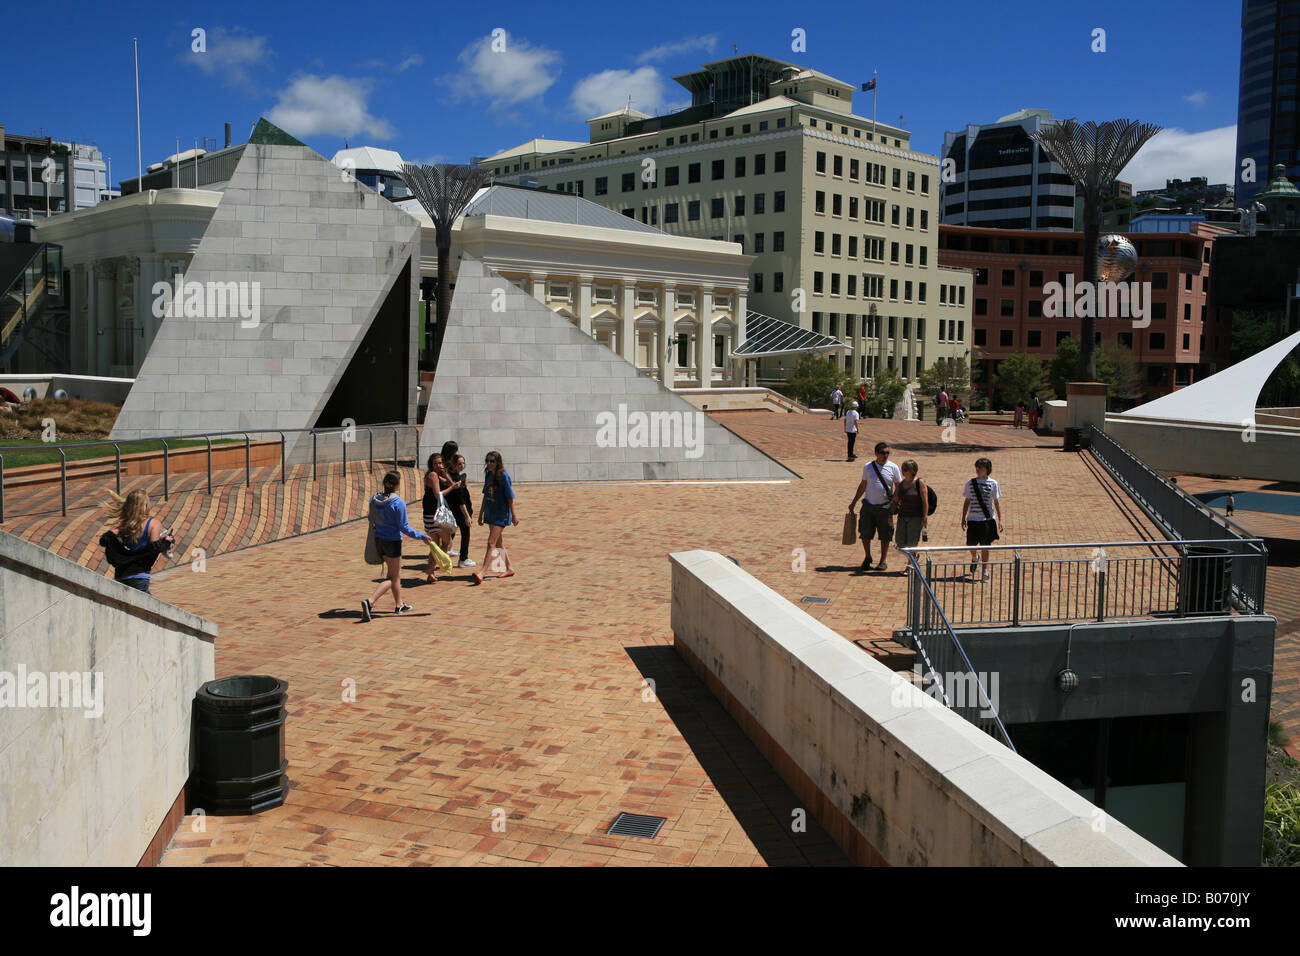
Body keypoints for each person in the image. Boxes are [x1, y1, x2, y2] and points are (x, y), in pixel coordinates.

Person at [362, 471, 430, 621]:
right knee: (392, 577)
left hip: (379, 540)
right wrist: (422, 537)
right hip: (393, 542)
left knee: (395, 574)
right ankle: (370, 601)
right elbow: (404, 527)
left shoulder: (373, 499)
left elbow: (370, 518)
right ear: (397, 485)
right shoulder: (398, 502)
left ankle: (399, 604)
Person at [98, 489, 175, 594]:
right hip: (139, 576)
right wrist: (166, 542)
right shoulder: (153, 524)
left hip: (121, 576)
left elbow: (104, 540)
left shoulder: (124, 525)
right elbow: (154, 549)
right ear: (145, 505)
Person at [849, 441, 903, 572]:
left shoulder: (893, 467)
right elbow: (863, 485)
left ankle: (883, 560)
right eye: (883, 453)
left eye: (887, 453)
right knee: (865, 533)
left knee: (885, 534)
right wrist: (854, 502)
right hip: (868, 505)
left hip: (885, 506)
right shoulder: (868, 467)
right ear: (876, 453)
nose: (885, 455)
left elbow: (898, 486)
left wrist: (894, 503)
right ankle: (868, 557)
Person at [473, 450, 517, 585]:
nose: (489, 463)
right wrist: (480, 514)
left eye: (492, 461)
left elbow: (510, 498)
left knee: (491, 543)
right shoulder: (488, 475)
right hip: (490, 513)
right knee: (498, 543)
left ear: (498, 462)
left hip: (501, 514)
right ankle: (509, 568)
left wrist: (514, 515)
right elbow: (485, 495)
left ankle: (483, 572)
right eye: (487, 461)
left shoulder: (504, 476)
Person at [961, 457, 1004, 582]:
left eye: (981, 467)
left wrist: (1000, 520)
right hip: (973, 519)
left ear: (987, 469)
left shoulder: (993, 483)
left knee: (986, 545)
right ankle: (975, 557)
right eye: (977, 467)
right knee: (970, 544)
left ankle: (985, 569)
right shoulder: (970, 483)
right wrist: (963, 517)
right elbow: (967, 501)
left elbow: (996, 502)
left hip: (987, 519)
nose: (978, 469)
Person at [422, 453, 458, 582]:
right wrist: (452, 487)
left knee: (436, 545)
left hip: (430, 514)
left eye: (441, 463)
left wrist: (446, 474)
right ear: (431, 465)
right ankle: (430, 568)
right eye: (436, 463)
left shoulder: (437, 475)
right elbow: (439, 495)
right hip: (434, 515)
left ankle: (430, 573)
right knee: (447, 543)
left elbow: (449, 482)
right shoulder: (432, 475)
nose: (439, 465)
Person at [891, 459, 929, 566]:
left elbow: (925, 501)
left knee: (912, 543)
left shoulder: (919, 482)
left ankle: (910, 566)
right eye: (902, 469)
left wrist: (925, 517)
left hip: (916, 517)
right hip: (902, 516)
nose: (903, 471)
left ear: (912, 471)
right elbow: (895, 499)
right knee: (900, 542)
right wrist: (890, 512)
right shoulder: (901, 484)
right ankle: (914, 556)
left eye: (905, 469)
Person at [449, 453, 475, 568]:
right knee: (465, 534)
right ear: (454, 465)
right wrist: (467, 516)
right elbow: (460, 500)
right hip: (460, 512)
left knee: (451, 533)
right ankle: (463, 558)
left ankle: (443, 554)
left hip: (456, 511)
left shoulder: (457, 477)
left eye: (463, 463)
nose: (462, 465)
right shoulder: (455, 479)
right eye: (459, 464)